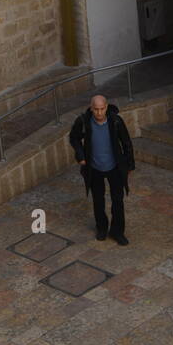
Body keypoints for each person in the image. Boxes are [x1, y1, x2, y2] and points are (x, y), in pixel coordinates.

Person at [69, 93, 135, 245]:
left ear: (106, 107)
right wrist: (80, 156)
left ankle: (117, 231)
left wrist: (129, 164)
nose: (99, 113)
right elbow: (74, 137)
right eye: (96, 109)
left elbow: (126, 143)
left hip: (114, 167)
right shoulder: (83, 122)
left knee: (117, 200)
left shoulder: (116, 121)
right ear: (91, 108)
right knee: (98, 200)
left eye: (102, 109)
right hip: (94, 168)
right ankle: (102, 228)